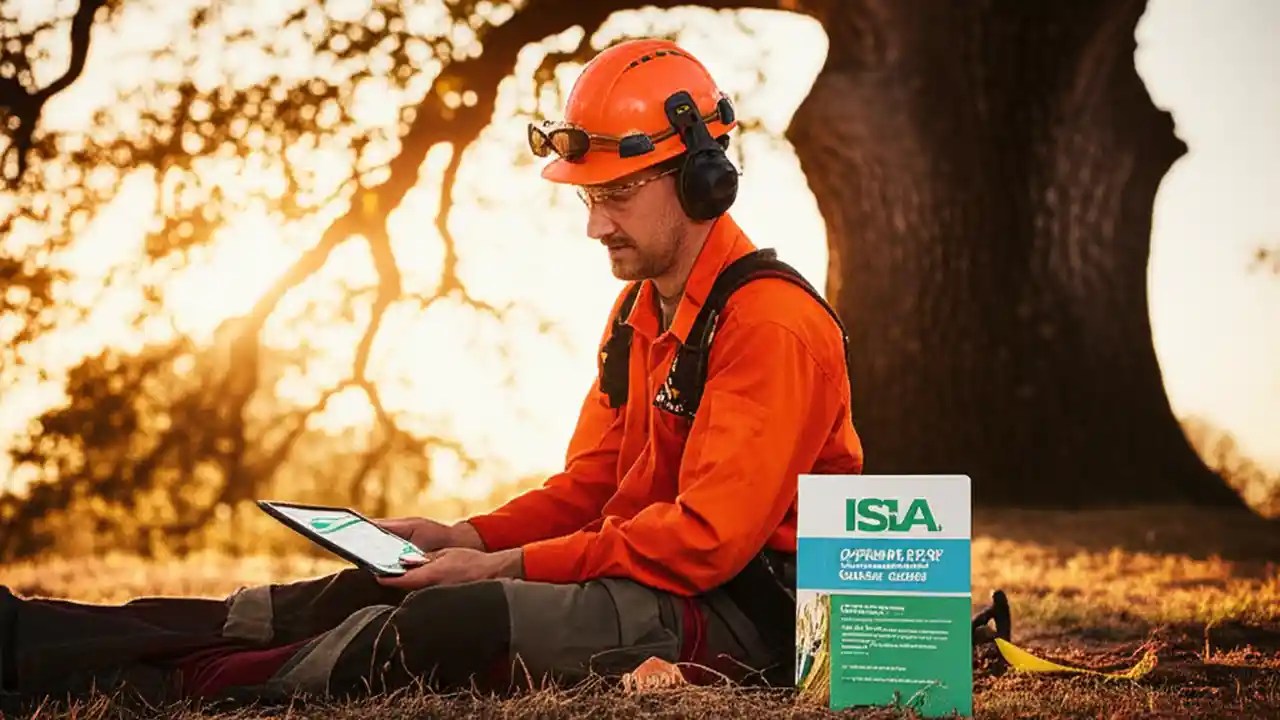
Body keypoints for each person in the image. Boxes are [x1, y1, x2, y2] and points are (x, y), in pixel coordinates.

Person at [0, 37, 863, 706]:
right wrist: (467, 539)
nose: (594, 226)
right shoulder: (639, 313)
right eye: (586, 197)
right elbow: (594, 485)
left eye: (616, 195)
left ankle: (160, 689)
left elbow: (706, 541)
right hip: (641, 581)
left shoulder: (771, 325)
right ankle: (34, 635)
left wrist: (499, 573)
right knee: (360, 587)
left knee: (453, 618)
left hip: (740, 618)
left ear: (704, 181)